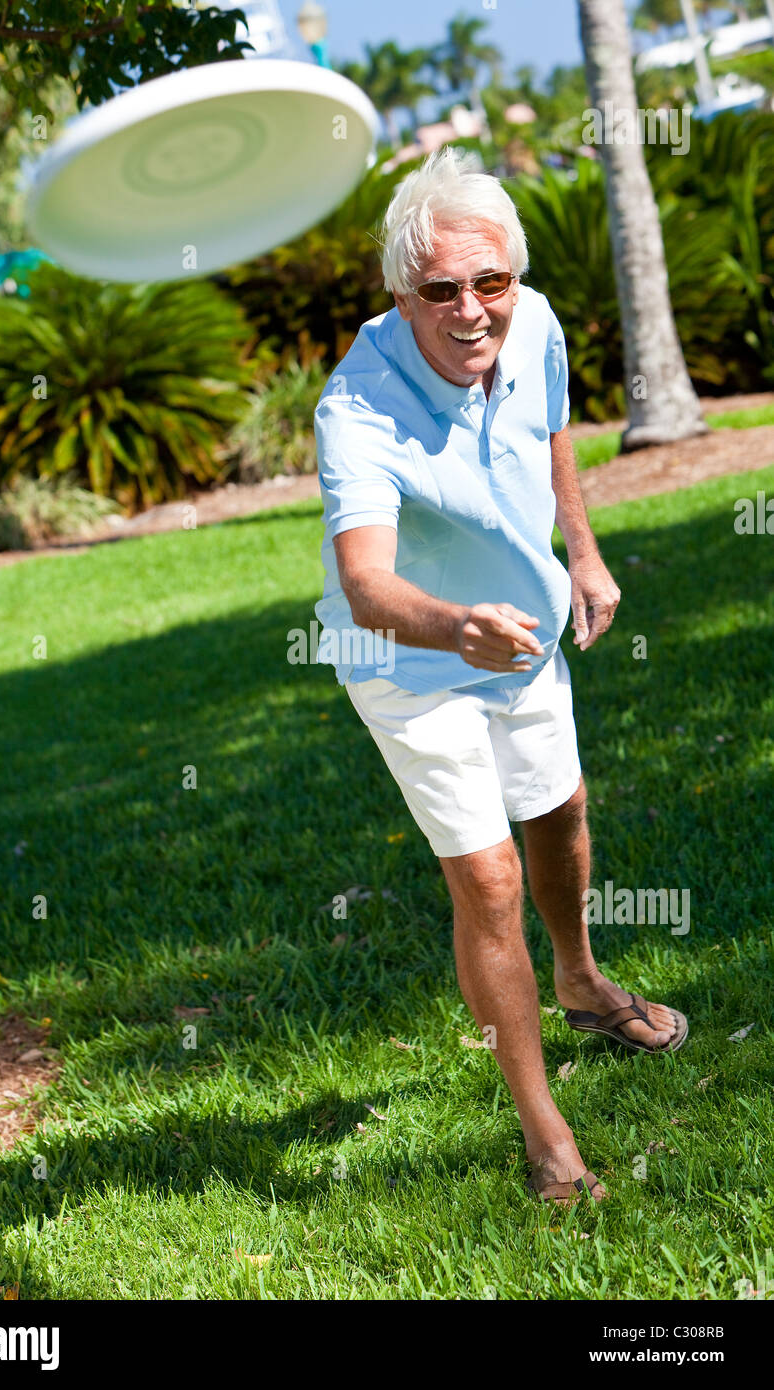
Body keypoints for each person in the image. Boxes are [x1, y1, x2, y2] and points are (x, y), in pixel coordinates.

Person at [313, 146, 688, 1206]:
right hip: (407, 660)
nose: (471, 309)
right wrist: (452, 627)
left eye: (489, 282)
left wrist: (581, 551)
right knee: (485, 880)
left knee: (559, 812)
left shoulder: (536, 321)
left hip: (514, 627)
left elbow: (554, 429)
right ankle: (544, 1135)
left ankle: (576, 975)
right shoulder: (356, 409)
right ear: (401, 293)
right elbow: (366, 582)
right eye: (440, 290)